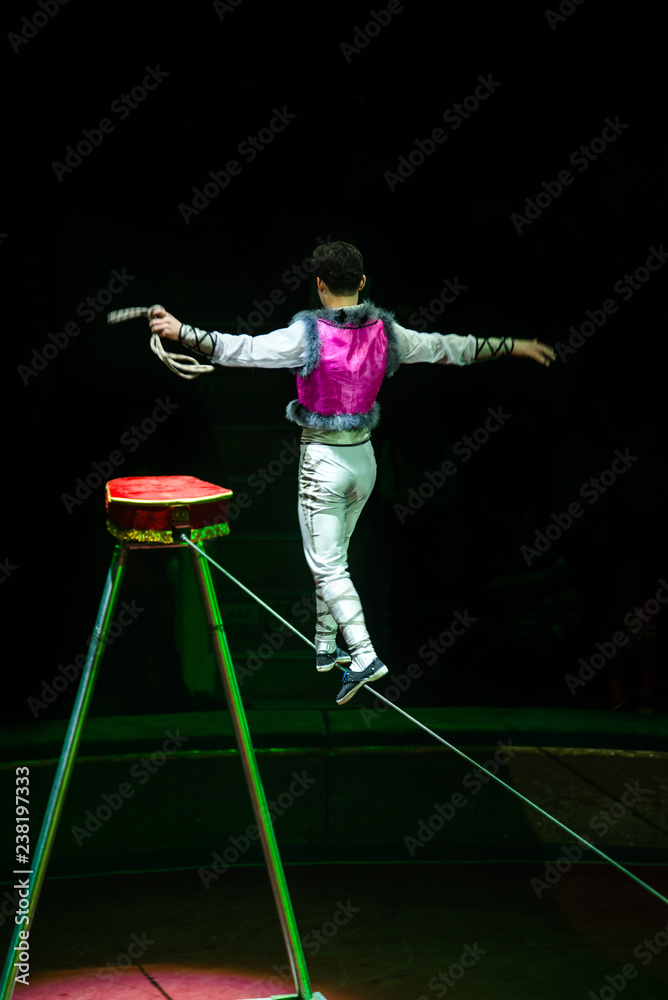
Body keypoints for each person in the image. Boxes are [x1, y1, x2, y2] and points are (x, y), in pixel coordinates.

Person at [150, 240, 555, 705]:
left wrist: (180, 330)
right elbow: (448, 348)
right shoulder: (389, 332)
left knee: (327, 566)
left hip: (322, 462)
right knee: (335, 558)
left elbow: (239, 349)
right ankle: (327, 646)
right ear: (361, 283)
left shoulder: (307, 336)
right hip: (364, 462)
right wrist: (513, 345)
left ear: (319, 285)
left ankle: (362, 654)